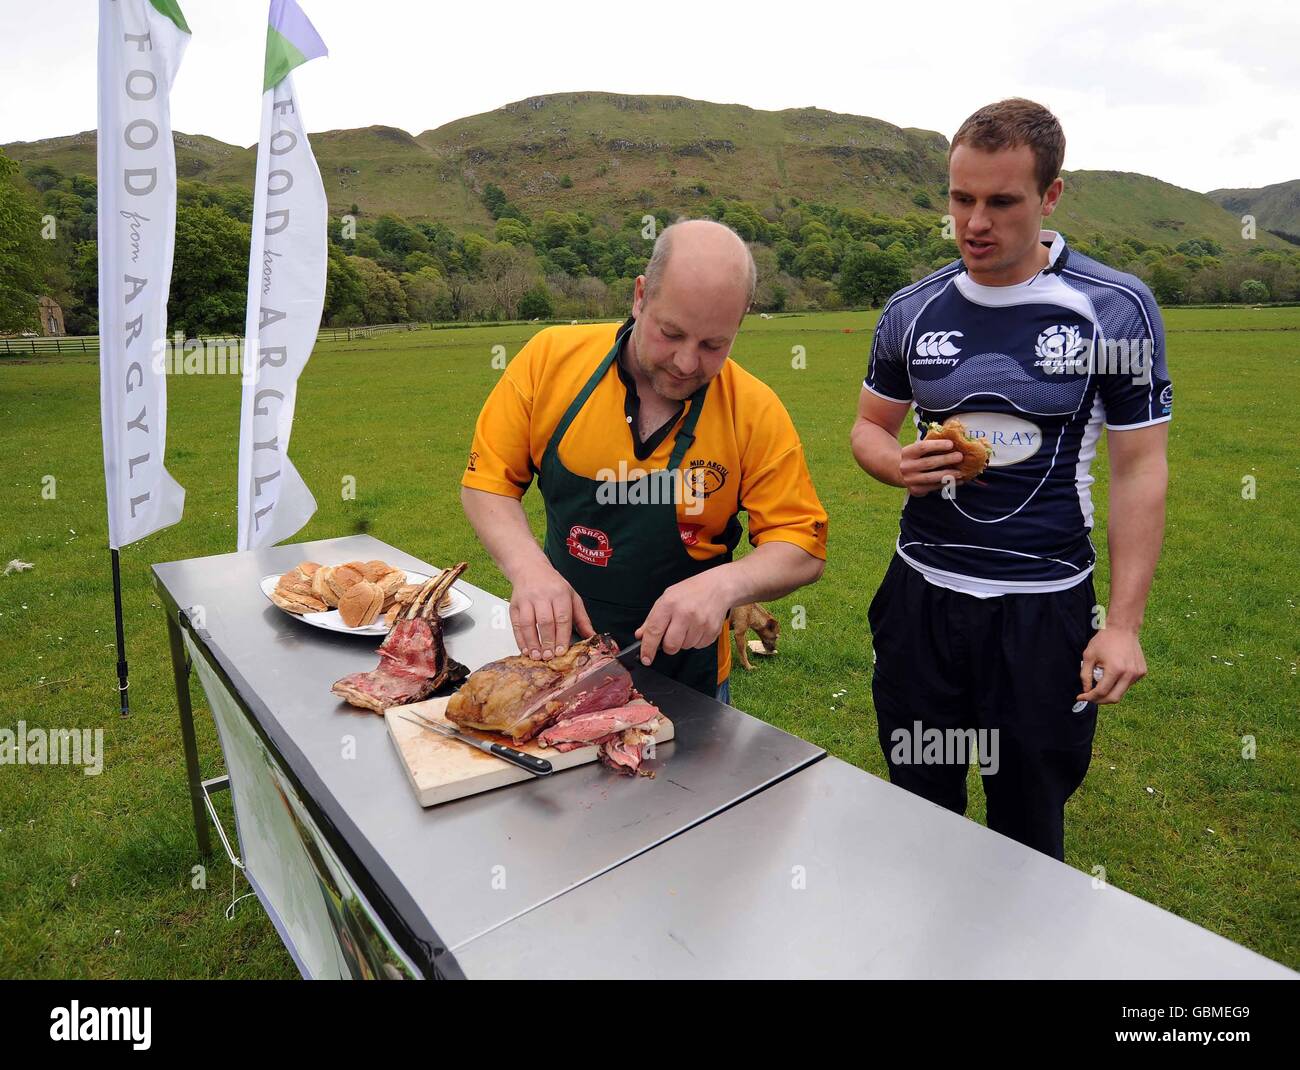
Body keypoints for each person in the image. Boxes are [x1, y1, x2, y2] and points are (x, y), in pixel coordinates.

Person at [850, 98, 1172, 860]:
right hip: (922, 601)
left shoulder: (1114, 309)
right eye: (961, 199)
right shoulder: (913, 309)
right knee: (919, 815)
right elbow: (869, 427)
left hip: (1044, 614)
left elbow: (1141, 467)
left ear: (1051, 195)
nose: (975, 223)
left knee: (1027, 833)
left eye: (1002, 201)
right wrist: (896, 463)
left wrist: (1121, 624)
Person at [461, 219, 828, 702]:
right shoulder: (550, 361)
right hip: (560, 657)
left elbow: (801, 544)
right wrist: (529, 570)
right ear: (640, 296)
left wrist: (723, 586)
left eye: (714, 345)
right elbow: (487, 483)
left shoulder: (755, 410)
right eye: (670, 333)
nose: (685, 363)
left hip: (691, 679)